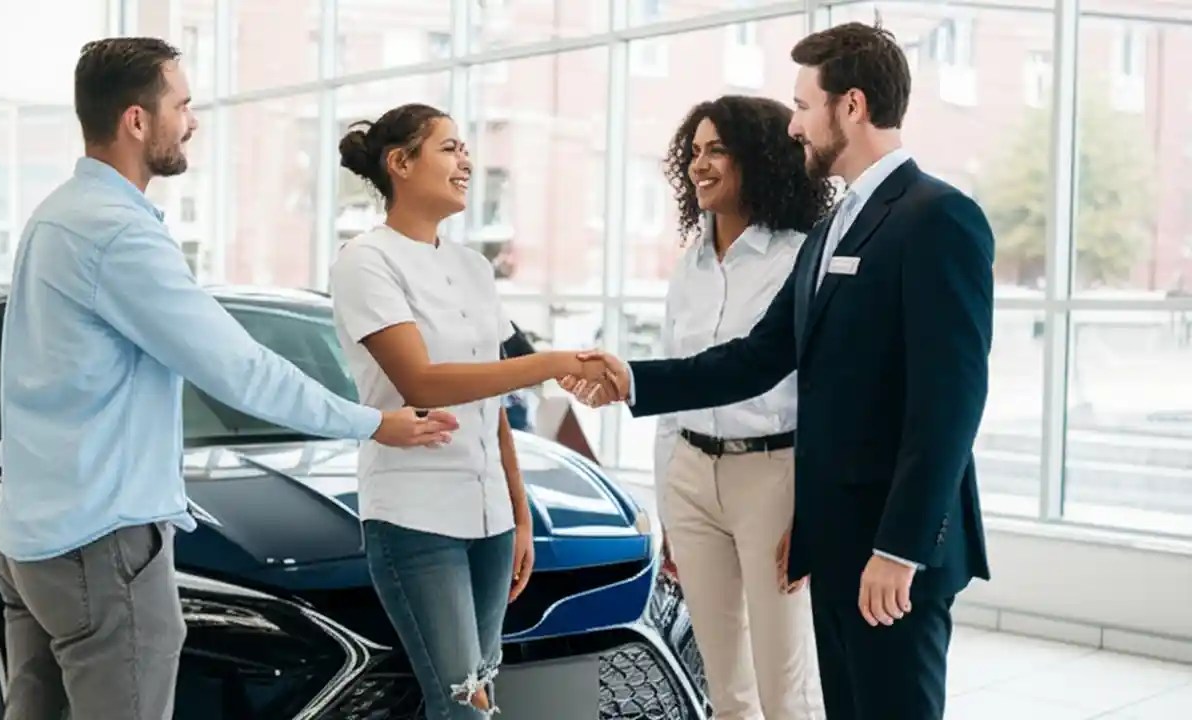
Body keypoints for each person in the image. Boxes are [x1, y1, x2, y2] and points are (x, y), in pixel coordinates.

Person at [0, 38, 458, 720]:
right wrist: (373, 421)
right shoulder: (118, 233)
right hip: (98, 543)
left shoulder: (56, 216)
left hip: (32, 537)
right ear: (137, 120)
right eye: (181, 105)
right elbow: (238, 368)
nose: (193, 121)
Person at [568, 22, 994, 720]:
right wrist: (632, 380)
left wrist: (900, 549)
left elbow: (951, 401)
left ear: (851, 106)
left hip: (893, 549)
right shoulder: (832, 231)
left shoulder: (938, 216)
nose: (794, 125)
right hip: (838, 540)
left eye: (802, 105)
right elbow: (761, 357)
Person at [330, 103, 609, 719]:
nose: (467, 161)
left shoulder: (473, 267)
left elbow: (492, 404)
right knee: (461, 704)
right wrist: (550, 362)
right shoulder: (366, 261)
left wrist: (520, 514)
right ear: (400, 163)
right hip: (415, 517)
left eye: (464, 148)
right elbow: (422, 382)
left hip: (490, 519)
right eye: (449, 147)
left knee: (482, 698)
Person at [650, 95, 830, 720]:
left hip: (772, 479)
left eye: (717, 150)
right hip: (692, 477)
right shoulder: (689, 265)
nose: (699, 164)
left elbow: (822, 393)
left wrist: (812, 509)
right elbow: (674, 388)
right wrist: (667, 505)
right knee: (725, 689)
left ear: (759, 159)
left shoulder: (800, 258)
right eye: (694, 151)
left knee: (785, 686)